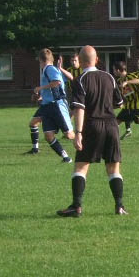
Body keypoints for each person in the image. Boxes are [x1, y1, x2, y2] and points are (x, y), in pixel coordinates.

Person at [57, 45, 127, 216]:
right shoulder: (109, 77)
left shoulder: (80, 80)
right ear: (97, 59)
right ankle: (119, 206)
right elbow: (119, 103)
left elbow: (79, 108)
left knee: (81, 167)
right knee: (113, 169)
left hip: (92, 126)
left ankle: (76, 206)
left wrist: (78, 132)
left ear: (80, 62)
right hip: (111, 125)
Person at [30, 48, 73, 161]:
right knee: (48, 135)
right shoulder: (47, 70)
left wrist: (40, 88)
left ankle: (87, 137)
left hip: (57, 105)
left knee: (69, 135)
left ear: (41, 60)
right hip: (47, 106)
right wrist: (41, 95)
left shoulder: (49, 69)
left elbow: (57, 82)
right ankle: (66, 157)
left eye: (39, 61)